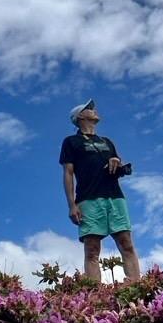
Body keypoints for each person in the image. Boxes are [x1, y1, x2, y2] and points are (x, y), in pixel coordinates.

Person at [59, 99, 141, 284]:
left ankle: (137, 286)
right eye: (89, 109)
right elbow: (68, 173)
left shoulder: (107, 142)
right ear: (80, 116)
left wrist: (117, 163)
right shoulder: (71, 142)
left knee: (126, 243)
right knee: (92, 249)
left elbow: (116, 168)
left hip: (115, 197)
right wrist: (72, 205)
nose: (94, 110)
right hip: (88, 198)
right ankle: (95, 296)